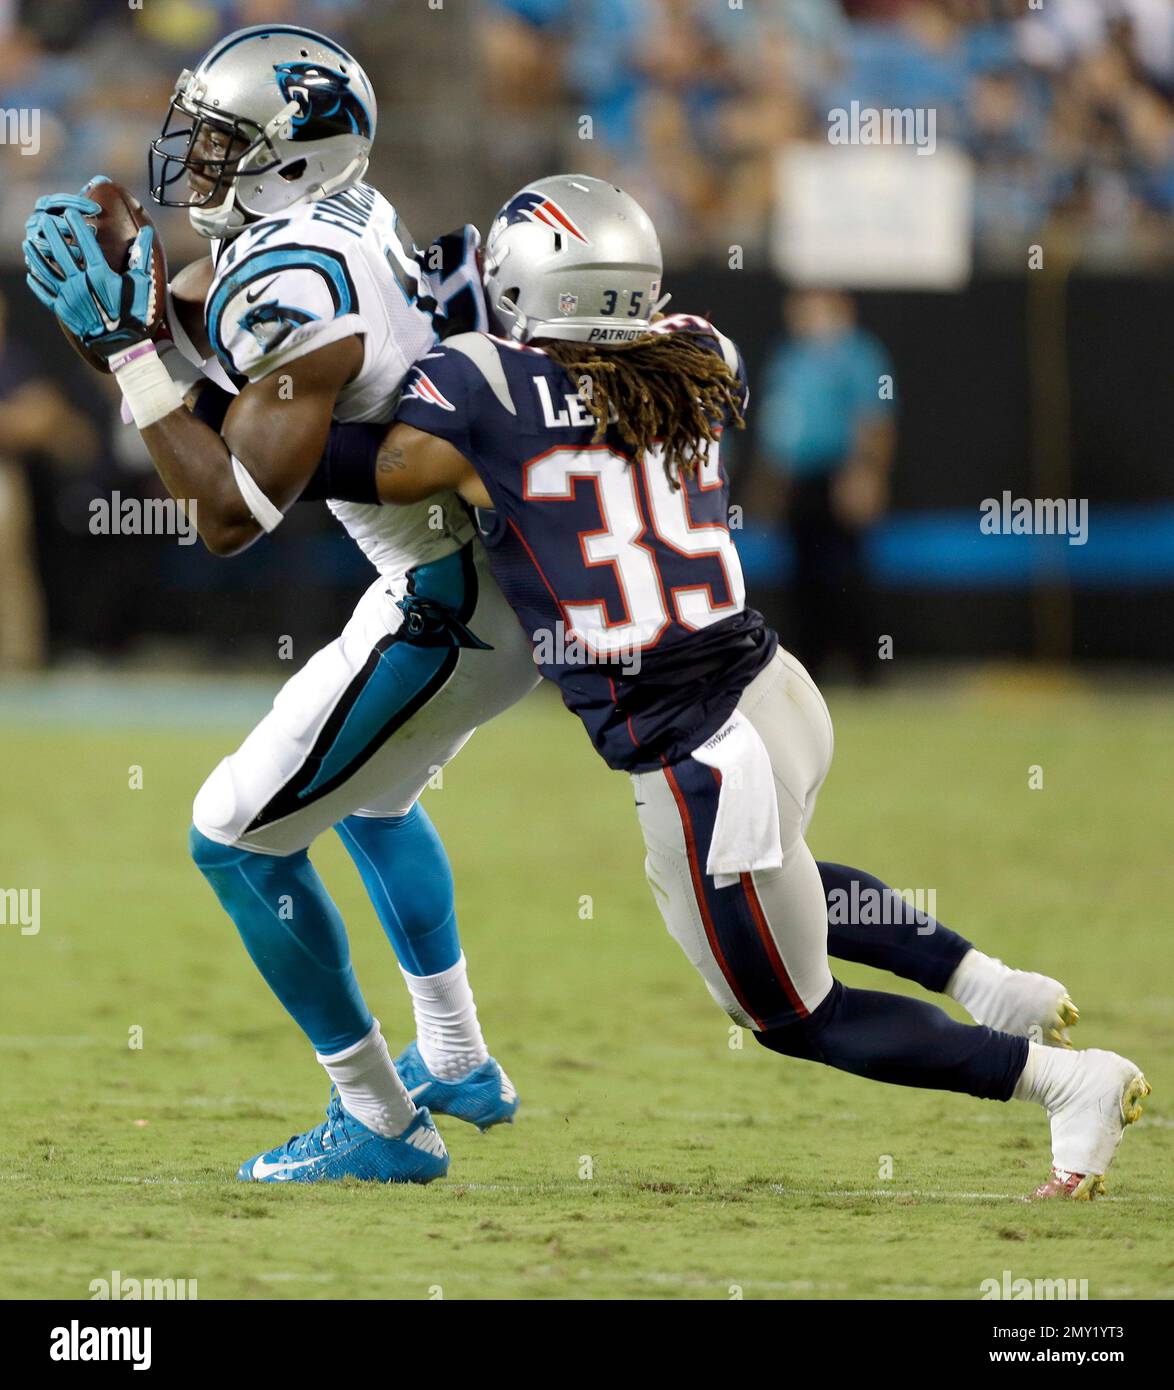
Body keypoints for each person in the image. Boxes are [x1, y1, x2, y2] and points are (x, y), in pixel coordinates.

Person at [330, 174, 1148, 1200]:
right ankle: (990, 985)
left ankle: (1060, 1081)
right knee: (782, 878)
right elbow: (579, 394)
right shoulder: (703, 351)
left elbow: (374, 462)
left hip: (701, 748)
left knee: (794, 1014)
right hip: (776, 691)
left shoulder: (479, 383)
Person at [22, 24, 539, 1184]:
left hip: (442, 600)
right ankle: (456, 1060)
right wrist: (157, 323)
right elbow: (265, 363)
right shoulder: (337, 223)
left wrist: (128, 353)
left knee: (234, 839)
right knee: (373, 802)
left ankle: (382, 1121)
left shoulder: (294, 277)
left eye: (220, 142)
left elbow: (232, 510)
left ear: (290, 156)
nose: (192, 161)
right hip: (469, 584)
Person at [758, 289, 895, 683]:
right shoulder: (790, 358)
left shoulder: (856, 355)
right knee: (802, 578)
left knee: (847, 576)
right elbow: (780, 425)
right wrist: (772, 485)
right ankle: (809, 668)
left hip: (837, 475)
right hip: (799, 479)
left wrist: (865, 474)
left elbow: (874, 416)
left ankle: (866, 668)